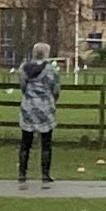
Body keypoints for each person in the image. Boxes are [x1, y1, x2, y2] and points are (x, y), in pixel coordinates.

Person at [18, 42, 61, 186]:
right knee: (46, 143)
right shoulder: (51, 70)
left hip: (28, 107)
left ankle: (22, 174)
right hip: (45, 107)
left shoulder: (24, 68)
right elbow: (55, 88)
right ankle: (45, 174)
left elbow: (22, 86)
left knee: (25, 142)